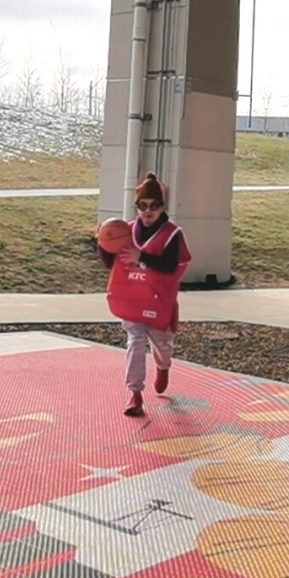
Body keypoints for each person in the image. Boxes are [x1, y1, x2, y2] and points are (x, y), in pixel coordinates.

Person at [98, 173, 191, 417]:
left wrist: (143, 258)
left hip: (158, 302)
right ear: (137, 206)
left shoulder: (172, 234)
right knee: (135, 342)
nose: (147, 210)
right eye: (142, 205)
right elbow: (111, 262)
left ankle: (163, 367)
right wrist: (103, 243)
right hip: (132, 300)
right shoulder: (123, 231)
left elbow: (171, 267)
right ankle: (135, 393)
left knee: (162, 345)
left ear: (162, 207)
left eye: (154, 205)